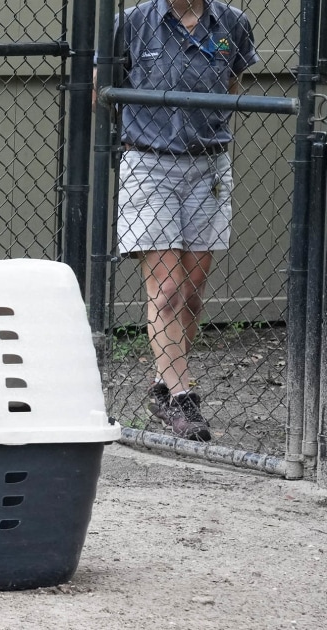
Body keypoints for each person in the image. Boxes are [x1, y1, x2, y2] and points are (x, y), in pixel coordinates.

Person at [109, 0, 259, 441]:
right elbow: (106, 85)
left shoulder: (231, 23)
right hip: (148, 164)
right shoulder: (133, 23)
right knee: (168, 288)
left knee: (192, 292)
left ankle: (162, 384)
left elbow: (233, 79)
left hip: (209, 166)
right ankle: (181, 397)